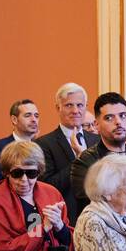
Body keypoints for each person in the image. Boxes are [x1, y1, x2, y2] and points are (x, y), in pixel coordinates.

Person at [69, 92, 126, 220]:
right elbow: (97, 209)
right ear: (96, 124)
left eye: (122, 116)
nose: (118, 122)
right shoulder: (85, 163)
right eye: (109, 118)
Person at [36, 83, 98, 220]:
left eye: (80, 105)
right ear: (58, 108)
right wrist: (79, 159)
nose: (75, 110)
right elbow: (48, 186)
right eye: (69, 105)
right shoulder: (43, 144)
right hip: (64, 218)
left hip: (97, 216)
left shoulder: (98, 140)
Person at [0, 99, 42, 190]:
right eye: (28, 115)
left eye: (36, 116)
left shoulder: (41, 147)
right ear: (14, 120)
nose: (34, 120)